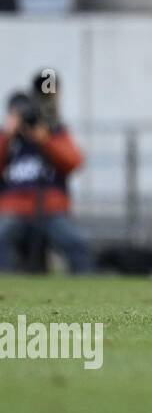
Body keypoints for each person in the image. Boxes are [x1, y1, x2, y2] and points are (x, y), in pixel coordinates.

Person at [0, 72, 92, 274]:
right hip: (13, 210)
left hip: (51, 210)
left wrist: (45, 140)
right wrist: (7, 135)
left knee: (76, 242)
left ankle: (86, 286)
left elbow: (74, 162)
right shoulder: (8, 140)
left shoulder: (54, 132)